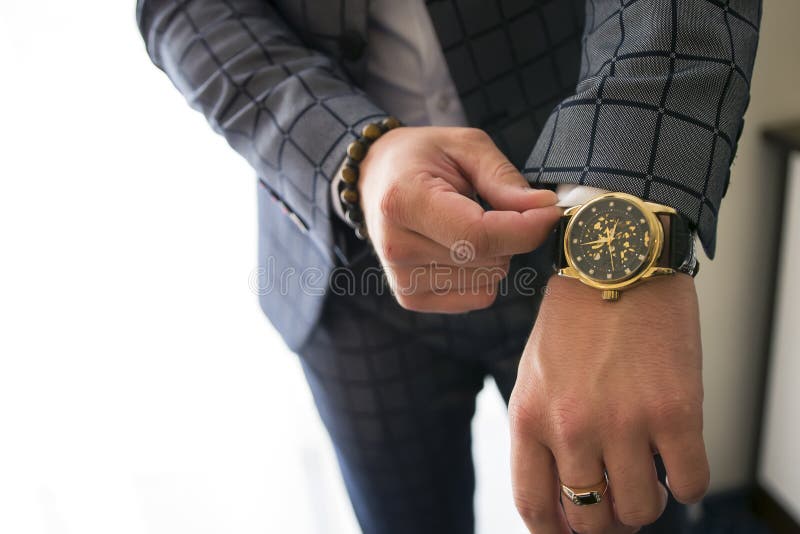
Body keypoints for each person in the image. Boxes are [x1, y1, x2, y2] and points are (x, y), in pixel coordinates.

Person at [136, 1, 761, 533]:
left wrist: (615, 209)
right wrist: (355, 154)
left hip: (563, 219)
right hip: (349, 277)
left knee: (628, 514)